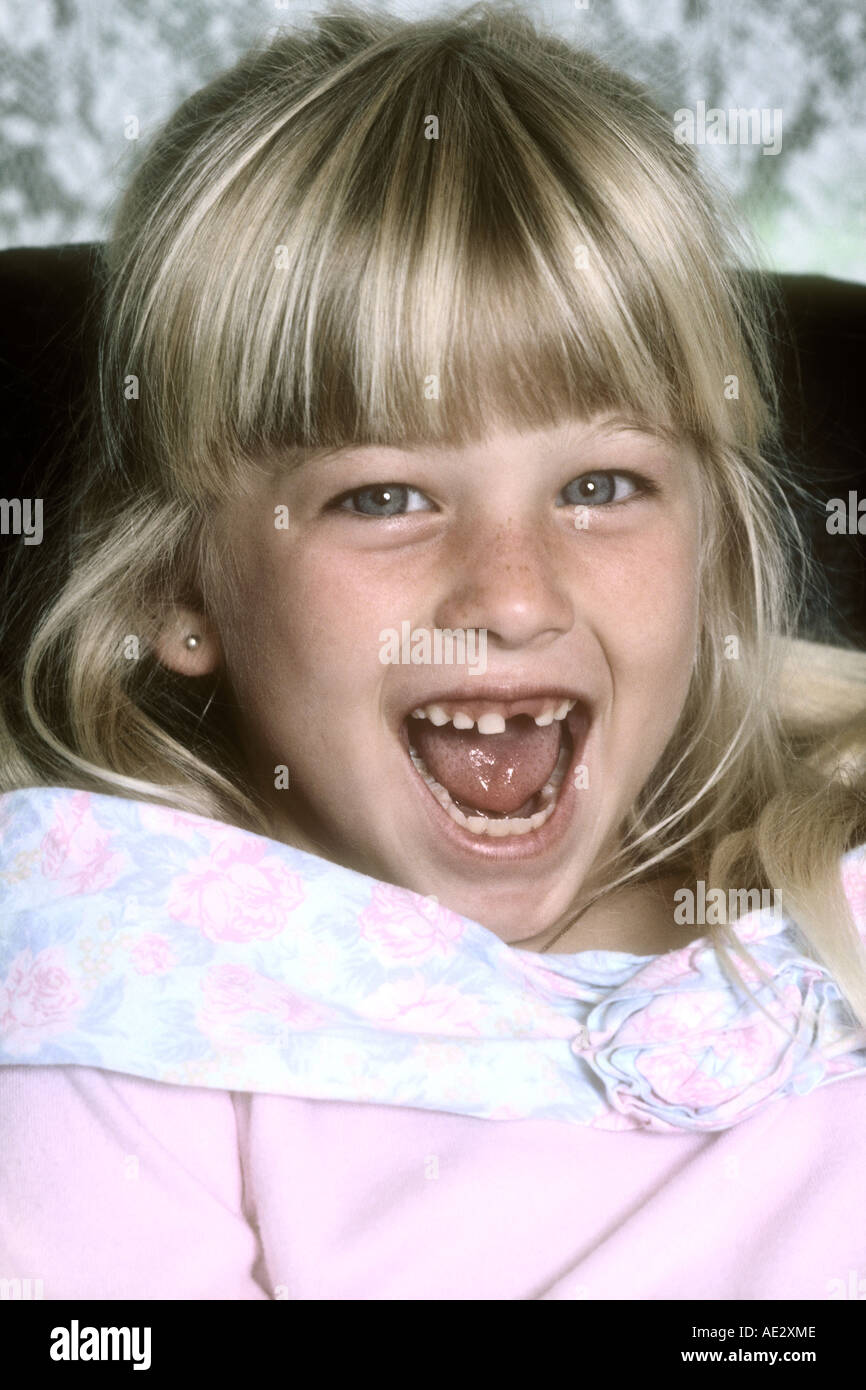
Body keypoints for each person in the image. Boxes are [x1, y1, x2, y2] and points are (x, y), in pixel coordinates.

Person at [1, 1, 866, 1301]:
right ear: (185, 586)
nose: (513, 595)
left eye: (600, 483)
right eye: (383, 498)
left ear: (712, 554)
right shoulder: (118, 959)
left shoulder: (838, 878)